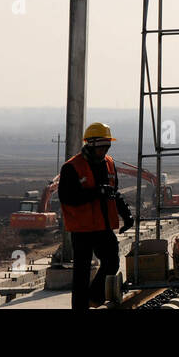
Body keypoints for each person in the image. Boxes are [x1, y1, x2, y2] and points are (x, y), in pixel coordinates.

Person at [58, 122, 132, 310]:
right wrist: (96, 192)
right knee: (81, 274)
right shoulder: (71, 167)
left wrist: (126, 214)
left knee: (112, 261)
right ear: (90, 144)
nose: (103, 151)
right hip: (82, 229)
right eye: (100, 147)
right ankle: (81, 306)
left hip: (103, 226)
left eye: (107, 147)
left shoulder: (109, 163)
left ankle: (95, 296)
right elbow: (67, 197)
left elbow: (114, 192)